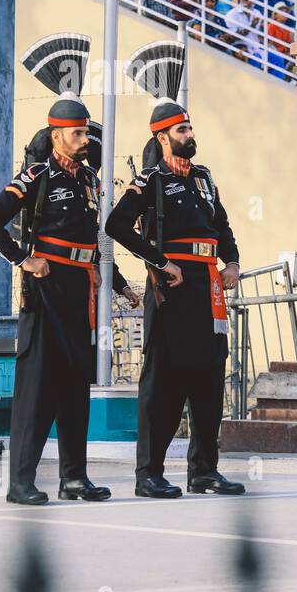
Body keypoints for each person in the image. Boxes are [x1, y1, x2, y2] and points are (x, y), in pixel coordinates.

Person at [0, 86, 137, 505]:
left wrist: (119, 283)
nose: (86, 141)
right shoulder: (36, 176)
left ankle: (74, 478)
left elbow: (91, 238)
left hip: (79, 291)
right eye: (78, 134)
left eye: (87, 133)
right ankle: (21, 482)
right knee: (36, 389)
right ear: (56, 135)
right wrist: (22, 259)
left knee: (74, 388)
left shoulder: (88, 179)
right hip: (45, 290)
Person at [105, 76, 244, 498]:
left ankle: (204, 469)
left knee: (208, 379)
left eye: (190, 127)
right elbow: (114, 226)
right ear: (162, 136)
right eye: (182, 129)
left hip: (208, 291)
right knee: (163, 383)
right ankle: (149, 473)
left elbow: (222, 225)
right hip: (171, 291)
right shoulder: (150, 181)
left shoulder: (204, 178)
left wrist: (233, 261)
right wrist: (160, 262)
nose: (190, 134)